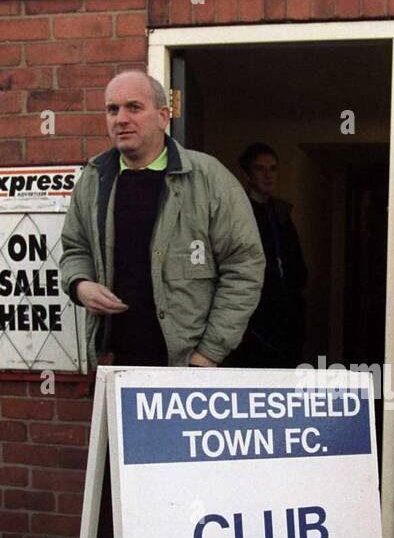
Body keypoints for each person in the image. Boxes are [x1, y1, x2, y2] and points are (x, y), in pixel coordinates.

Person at [59, 71, 265, 370]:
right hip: (117, 365)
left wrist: (209, 352)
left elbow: (244, 266)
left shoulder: (209, 178)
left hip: (188, 367)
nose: (121, 119)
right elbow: (75, 248)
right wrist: (80, 285)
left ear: (163, 116)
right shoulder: (94, 178)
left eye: (134, 107)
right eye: (112, 109)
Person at [226, 142, 308, 367]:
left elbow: (296, 267)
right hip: (250, 317)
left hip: (284, 318)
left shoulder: (280, 214)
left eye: (273, 169)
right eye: (260, 169)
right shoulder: (237, 213)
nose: (268, 175)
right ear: (247, 174)